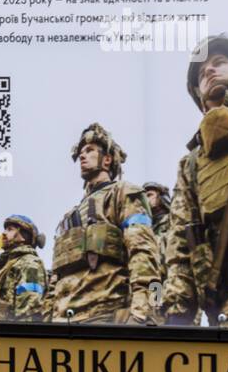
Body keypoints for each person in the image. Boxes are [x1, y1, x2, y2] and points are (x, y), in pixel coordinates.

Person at [162, 35, 228, 327]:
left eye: (219, 63)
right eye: (201, 73)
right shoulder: (192, 164)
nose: (209, 71)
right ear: (199, 96)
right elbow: (180, 250)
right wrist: (178, 320)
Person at [46, 123, 160, 323]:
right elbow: (55, 278)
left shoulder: (123, 193)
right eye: (81, 152)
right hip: (63, 323)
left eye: (89, 151)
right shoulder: (69, 216)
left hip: (105, 318)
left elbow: (146, 254)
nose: (82, 156)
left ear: (107, 159)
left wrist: (148, 313)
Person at [0, 215, 48, 321]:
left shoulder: (30, 264)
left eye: (10, 229)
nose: (3, 233)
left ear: (24, 236)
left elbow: (29, 312)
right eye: (5, 229)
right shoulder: (6, 266)